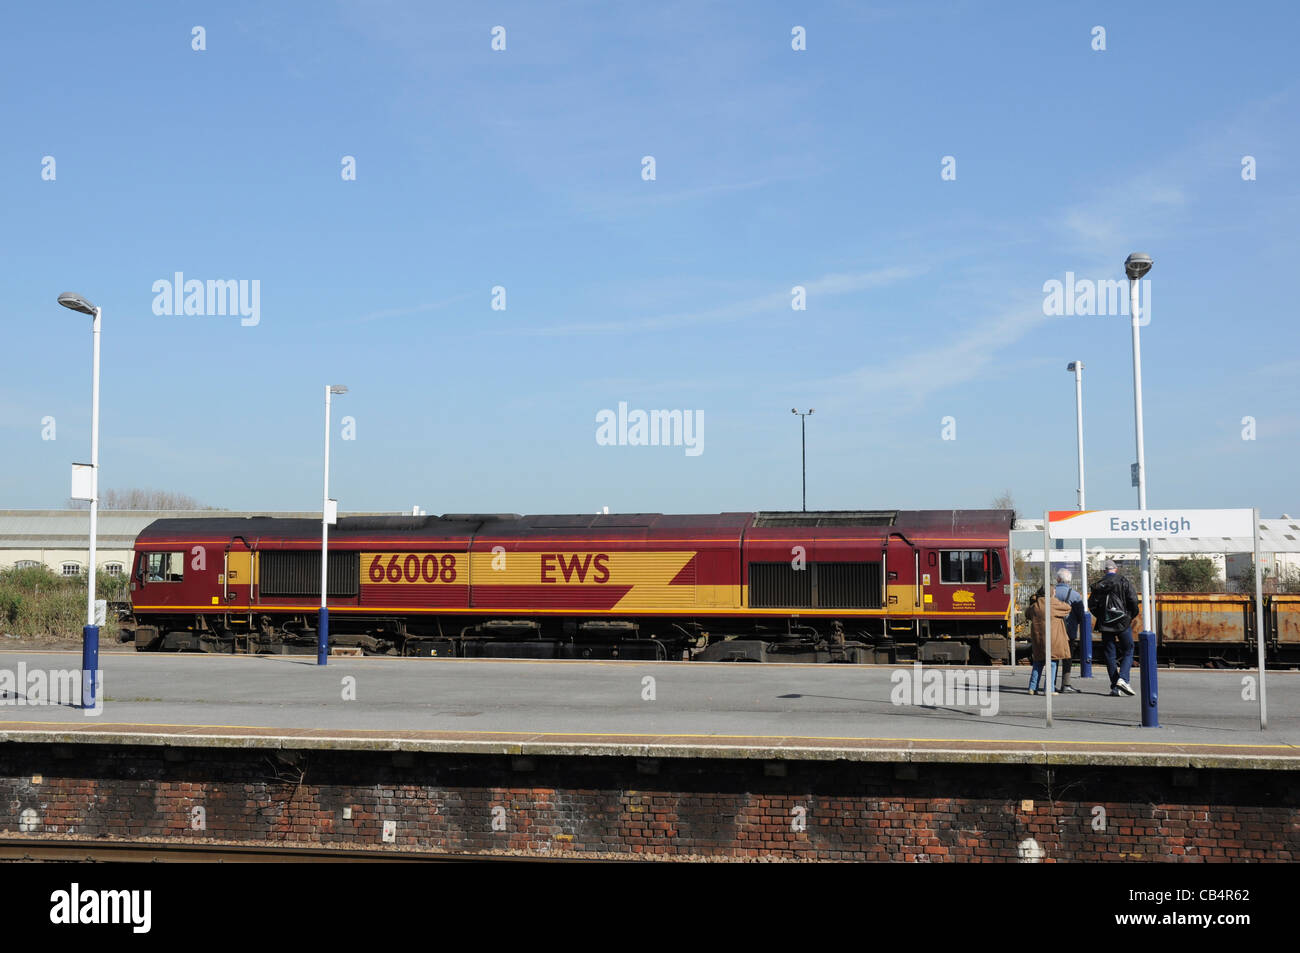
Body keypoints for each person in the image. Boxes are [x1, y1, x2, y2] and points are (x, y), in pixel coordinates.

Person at [1088, 559, 1140, 696]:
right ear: (1115, 569)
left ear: (1105, 571)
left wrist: (1102, 617)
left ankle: (1115, 687)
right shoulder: (1123, 581)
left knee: (1109, 655)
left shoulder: (1098, 585)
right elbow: (1133, 600)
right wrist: (1129, 616)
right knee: (1128, 650)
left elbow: (1091, 604)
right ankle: (1123, 679)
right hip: (1123, 623)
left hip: (1105, 625)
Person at [1026, 587, 1071, 695]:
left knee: (1038, 663)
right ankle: (1049, 689)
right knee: (1052, 663)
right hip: (1052, 639)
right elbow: (1067, 608)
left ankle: (1032, 687)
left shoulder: (1035, 606)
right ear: (1050, 592)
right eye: (1054, 591)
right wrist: (1056, 599)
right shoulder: (1053, 603)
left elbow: (1027, 613)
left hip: (1038, 639)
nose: (1055, 592)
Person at [1053, 568, 1085, 693]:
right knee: (1067, 658)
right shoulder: (1075, 595)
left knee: (1053, 657)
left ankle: (1051, 684)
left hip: (1053, 632)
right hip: (1068, 631)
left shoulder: (1052, 593)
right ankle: (1066, 684)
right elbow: (1081, 615)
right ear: (1069, 580)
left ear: (1058, 579)